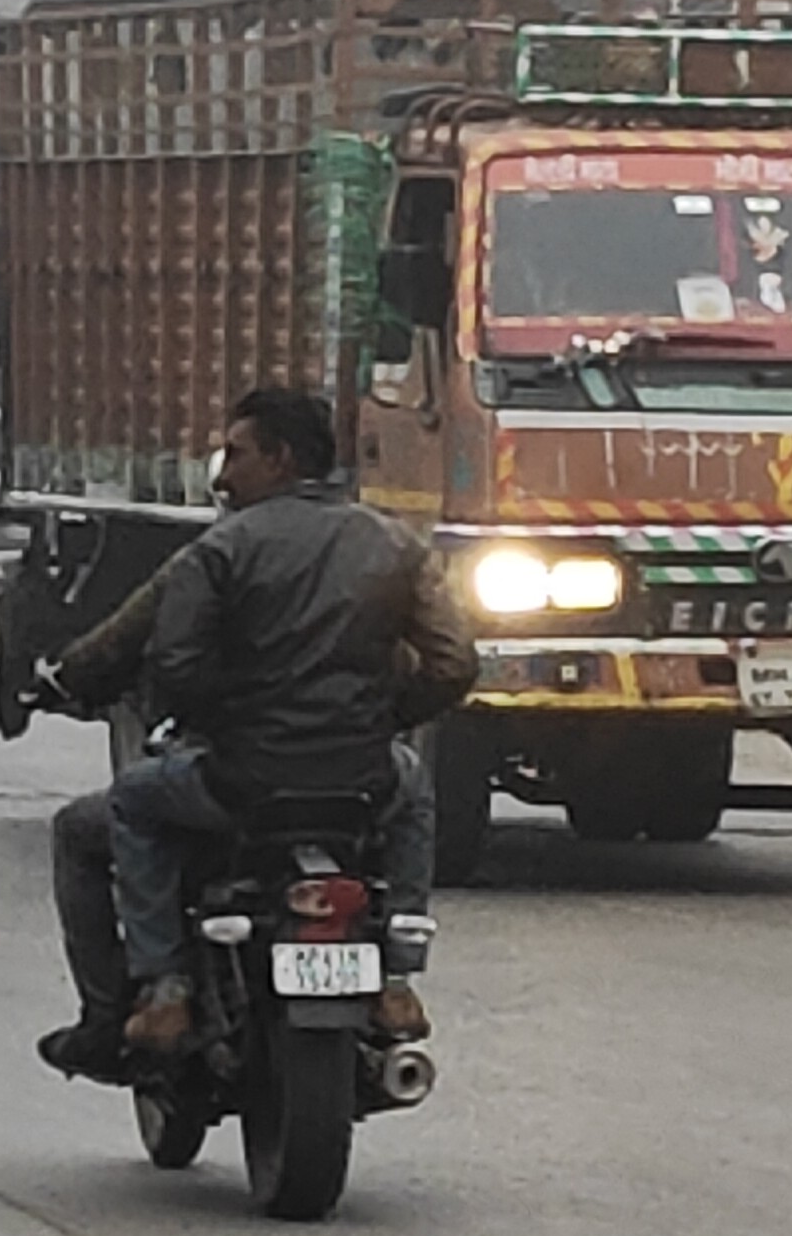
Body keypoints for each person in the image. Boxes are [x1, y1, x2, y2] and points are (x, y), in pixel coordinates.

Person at [36, 385, 475, 1080]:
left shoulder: (220, 549)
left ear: (281, 458)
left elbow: (169, 661)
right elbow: (455, 663)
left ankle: (162, 991)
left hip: (239, 782)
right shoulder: (398, 546)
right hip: (360, 780)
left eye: (236, 455)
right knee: (414, 787)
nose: (222, 474)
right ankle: (396, 974)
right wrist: (380, 719)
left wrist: (212, 714)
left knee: (113, 811)